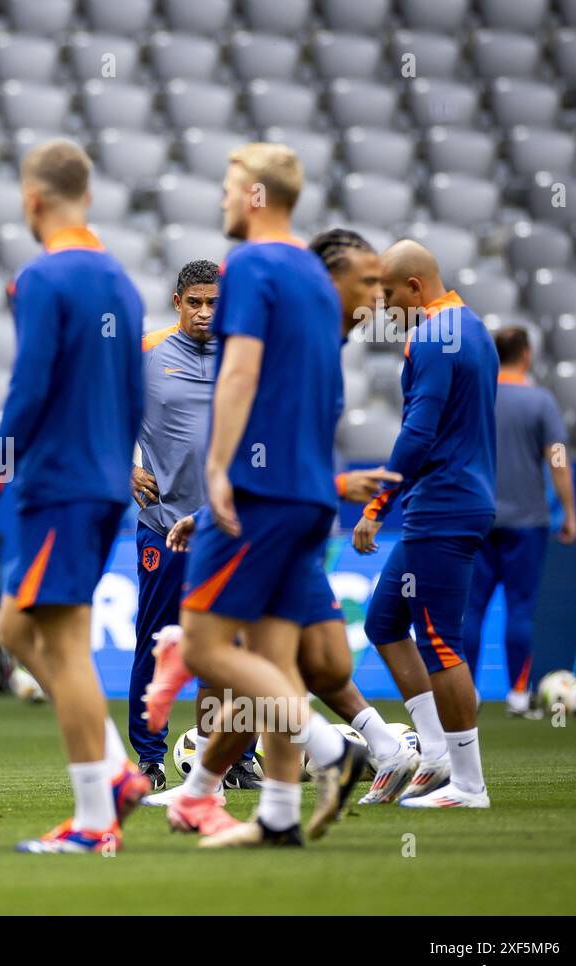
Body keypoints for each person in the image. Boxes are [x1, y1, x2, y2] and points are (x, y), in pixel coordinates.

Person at [146, 229, 416, 814]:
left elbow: (272, 438)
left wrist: (219, 491)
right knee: (308, 661)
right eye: (367, 282)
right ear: (329, 282)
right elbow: (272, 436)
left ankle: (316, 760)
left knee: (230, 652)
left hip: (269, 512)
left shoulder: (304, 342)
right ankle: (345, 766)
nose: (380, 294)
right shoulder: (304, 340)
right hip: (272, 508)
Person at [160, 143, 362, 849]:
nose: (221, 197)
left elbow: (239, 371)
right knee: (275, 661)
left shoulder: (247, 265)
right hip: (308, 488)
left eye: (227, 185)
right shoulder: (313, 271)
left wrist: (218, 467)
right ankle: (277, 812)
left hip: (258, 487)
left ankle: (330, 749)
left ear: (254, 194)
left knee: (206, 646)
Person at [0, 138, 150, 854]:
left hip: (59, 485)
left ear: (31, 199)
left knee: (65, 651)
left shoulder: (42, 279)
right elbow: (135, 396)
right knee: (15, 629)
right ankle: (115, 775)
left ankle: (96, 819)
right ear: (89, 197)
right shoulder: (121, 283)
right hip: (101, 481)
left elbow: (29, 391)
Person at [354, 239, 498, 810]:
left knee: (440, 642)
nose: (383, 307)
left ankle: (468, 784)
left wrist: (375, 505)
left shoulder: (432, 335)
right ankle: (436, 754)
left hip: (443, 505)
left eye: (388, 294)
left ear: (414, 287)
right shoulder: (474, 326)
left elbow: (419, 432)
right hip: (457, 499)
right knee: (386, 622)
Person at [129, 260, 257, 793]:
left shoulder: (244, 355)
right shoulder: (144, 352)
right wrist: (125, 466)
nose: (206, 312)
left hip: (230, 528)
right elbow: (102, 413)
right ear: (178, 301)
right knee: (159, 642)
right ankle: (150, 757)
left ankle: (236, 756)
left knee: (234, 647)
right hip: (163, 525)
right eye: (195, 302)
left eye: (215, 303)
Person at [462, 326, 576, 717]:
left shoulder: (476, 397)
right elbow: (558, 458)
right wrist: (569, 511)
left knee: (471, 608)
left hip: (476, 517)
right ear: (526, 355)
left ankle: (467, 695)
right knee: (521, 608)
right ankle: (516, 696)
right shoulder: (540, 401)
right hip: (528, 522)